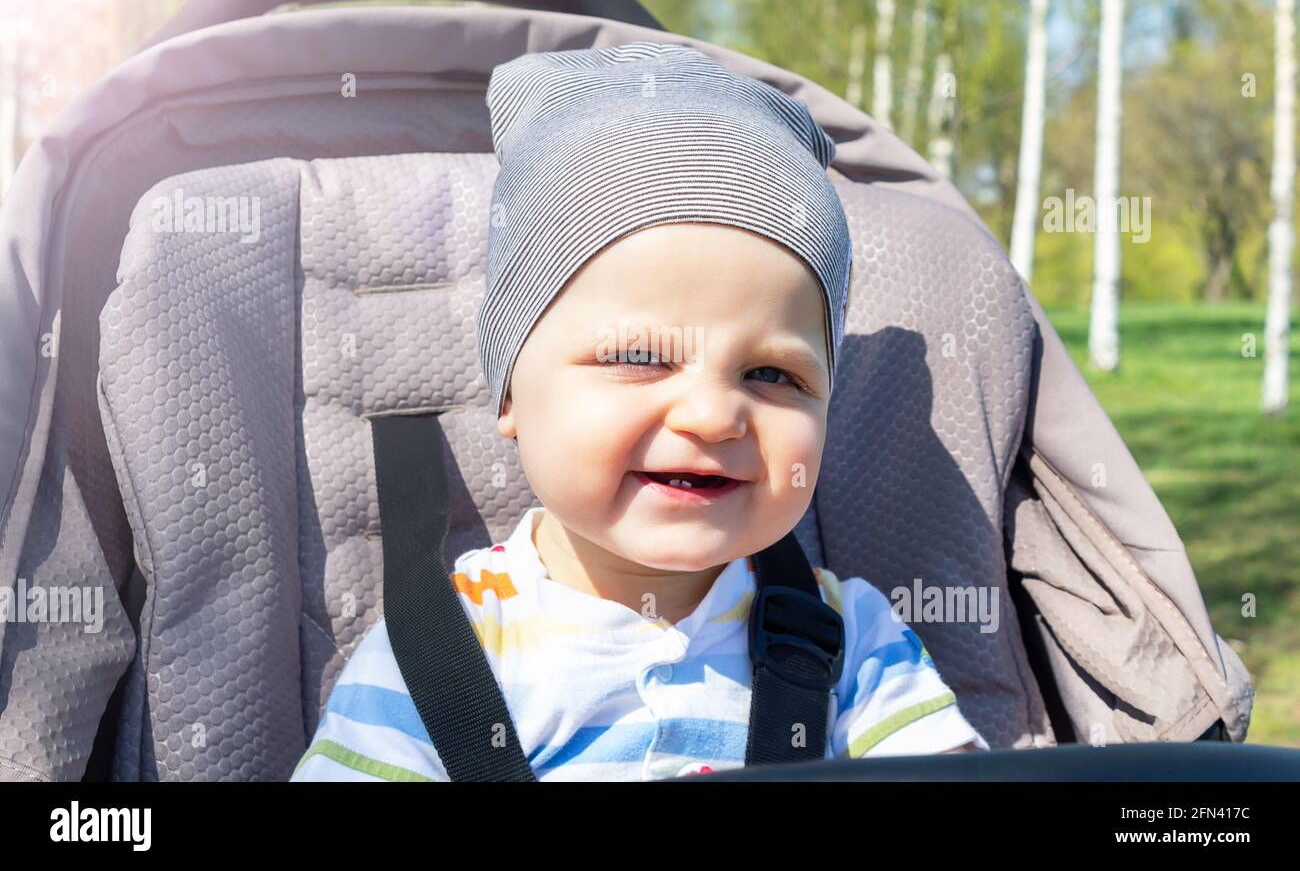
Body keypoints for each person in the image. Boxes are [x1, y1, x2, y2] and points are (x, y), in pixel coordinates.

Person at [291, 42, 987, 781]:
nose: (713, 416)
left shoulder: (852, 644)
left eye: (771, 373)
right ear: (511, 392)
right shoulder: (439, 653)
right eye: (641, 356)